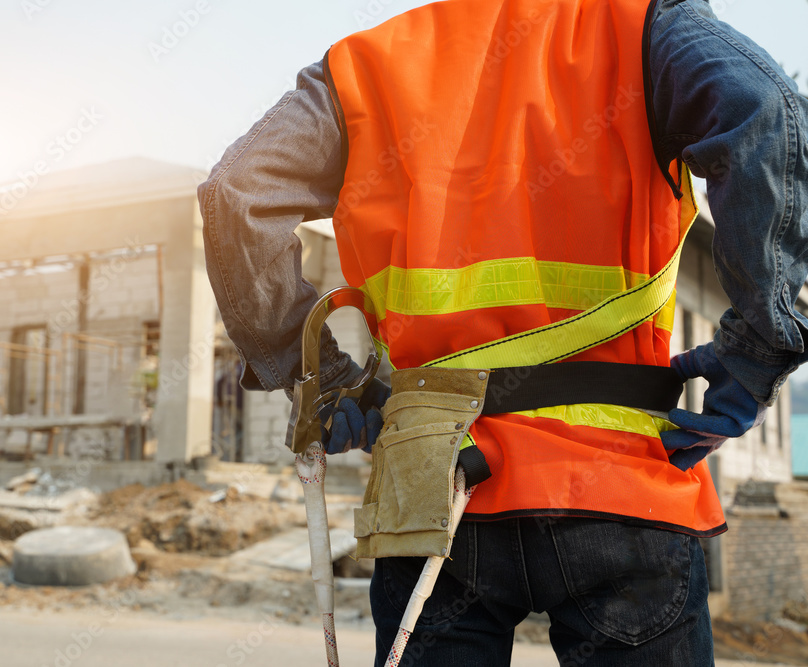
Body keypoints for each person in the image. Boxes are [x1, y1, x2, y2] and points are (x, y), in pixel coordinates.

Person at [198, 0, 808, 664]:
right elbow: (766, 111)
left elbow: (237, 191)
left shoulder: (364, 67)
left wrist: (319, 374)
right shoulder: (646, 29)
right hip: (616, 486)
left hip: (432, 489)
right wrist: (756, 346)